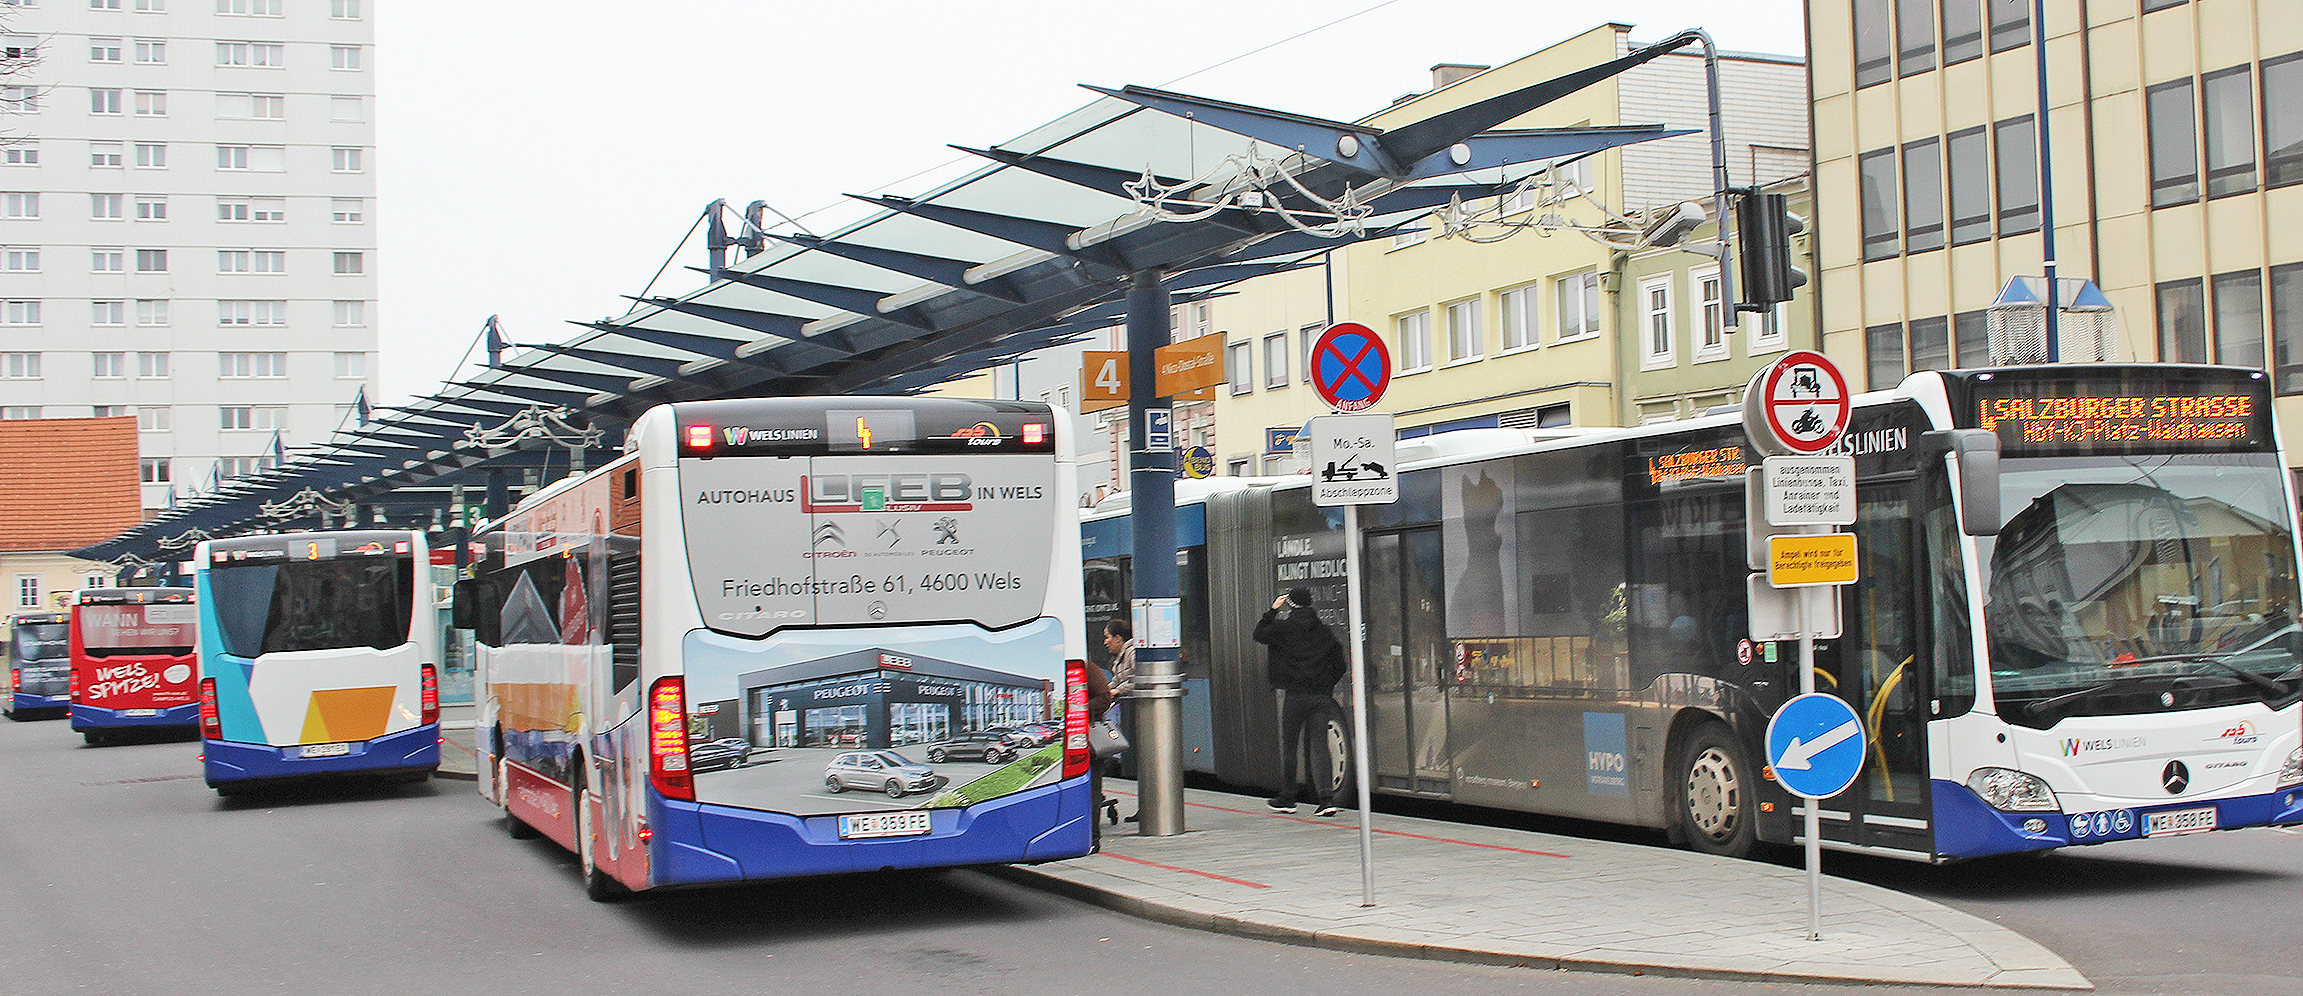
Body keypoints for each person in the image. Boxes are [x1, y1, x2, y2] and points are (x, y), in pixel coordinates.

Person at [1253, 586, 1349, 817]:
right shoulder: (1325, 632)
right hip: (1320, 697)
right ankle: (1327, 800)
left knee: (1290, 746)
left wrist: (1272, 610)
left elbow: (1259, 633)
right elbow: (1340, 666)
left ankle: (1287, 797)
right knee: (1320, 747)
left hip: (1295, 696)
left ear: (1290, 603)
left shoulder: (1282, 629)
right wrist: (1326, 685)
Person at [1101, 619, 1140, 822]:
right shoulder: (1120, 656)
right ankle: (1146, 807)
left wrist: (1116, 690)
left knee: (1144, 758)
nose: (1105, 642)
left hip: (1139, 711)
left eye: (1107, 637)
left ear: (1118, 638)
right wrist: (1104, 690)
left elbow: (1138, 678)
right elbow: (1116, 680)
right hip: (1130, 711)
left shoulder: (1133, 652)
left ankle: (1149, 808)